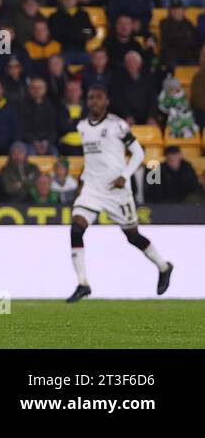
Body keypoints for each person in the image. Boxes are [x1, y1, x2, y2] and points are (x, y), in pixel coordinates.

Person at [65, 85, 173, 303]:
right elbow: (93, 158)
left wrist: (125, 175)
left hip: (117, 190)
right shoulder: (82, 126)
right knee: (76, 229)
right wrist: (84, 177)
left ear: (106, 101)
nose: (94, 101)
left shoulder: (118, 125)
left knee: (132, 236)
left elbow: (139, 153)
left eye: (98, 98)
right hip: (92, 188)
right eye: (90, 98)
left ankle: (163, 266)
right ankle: (83, 283)